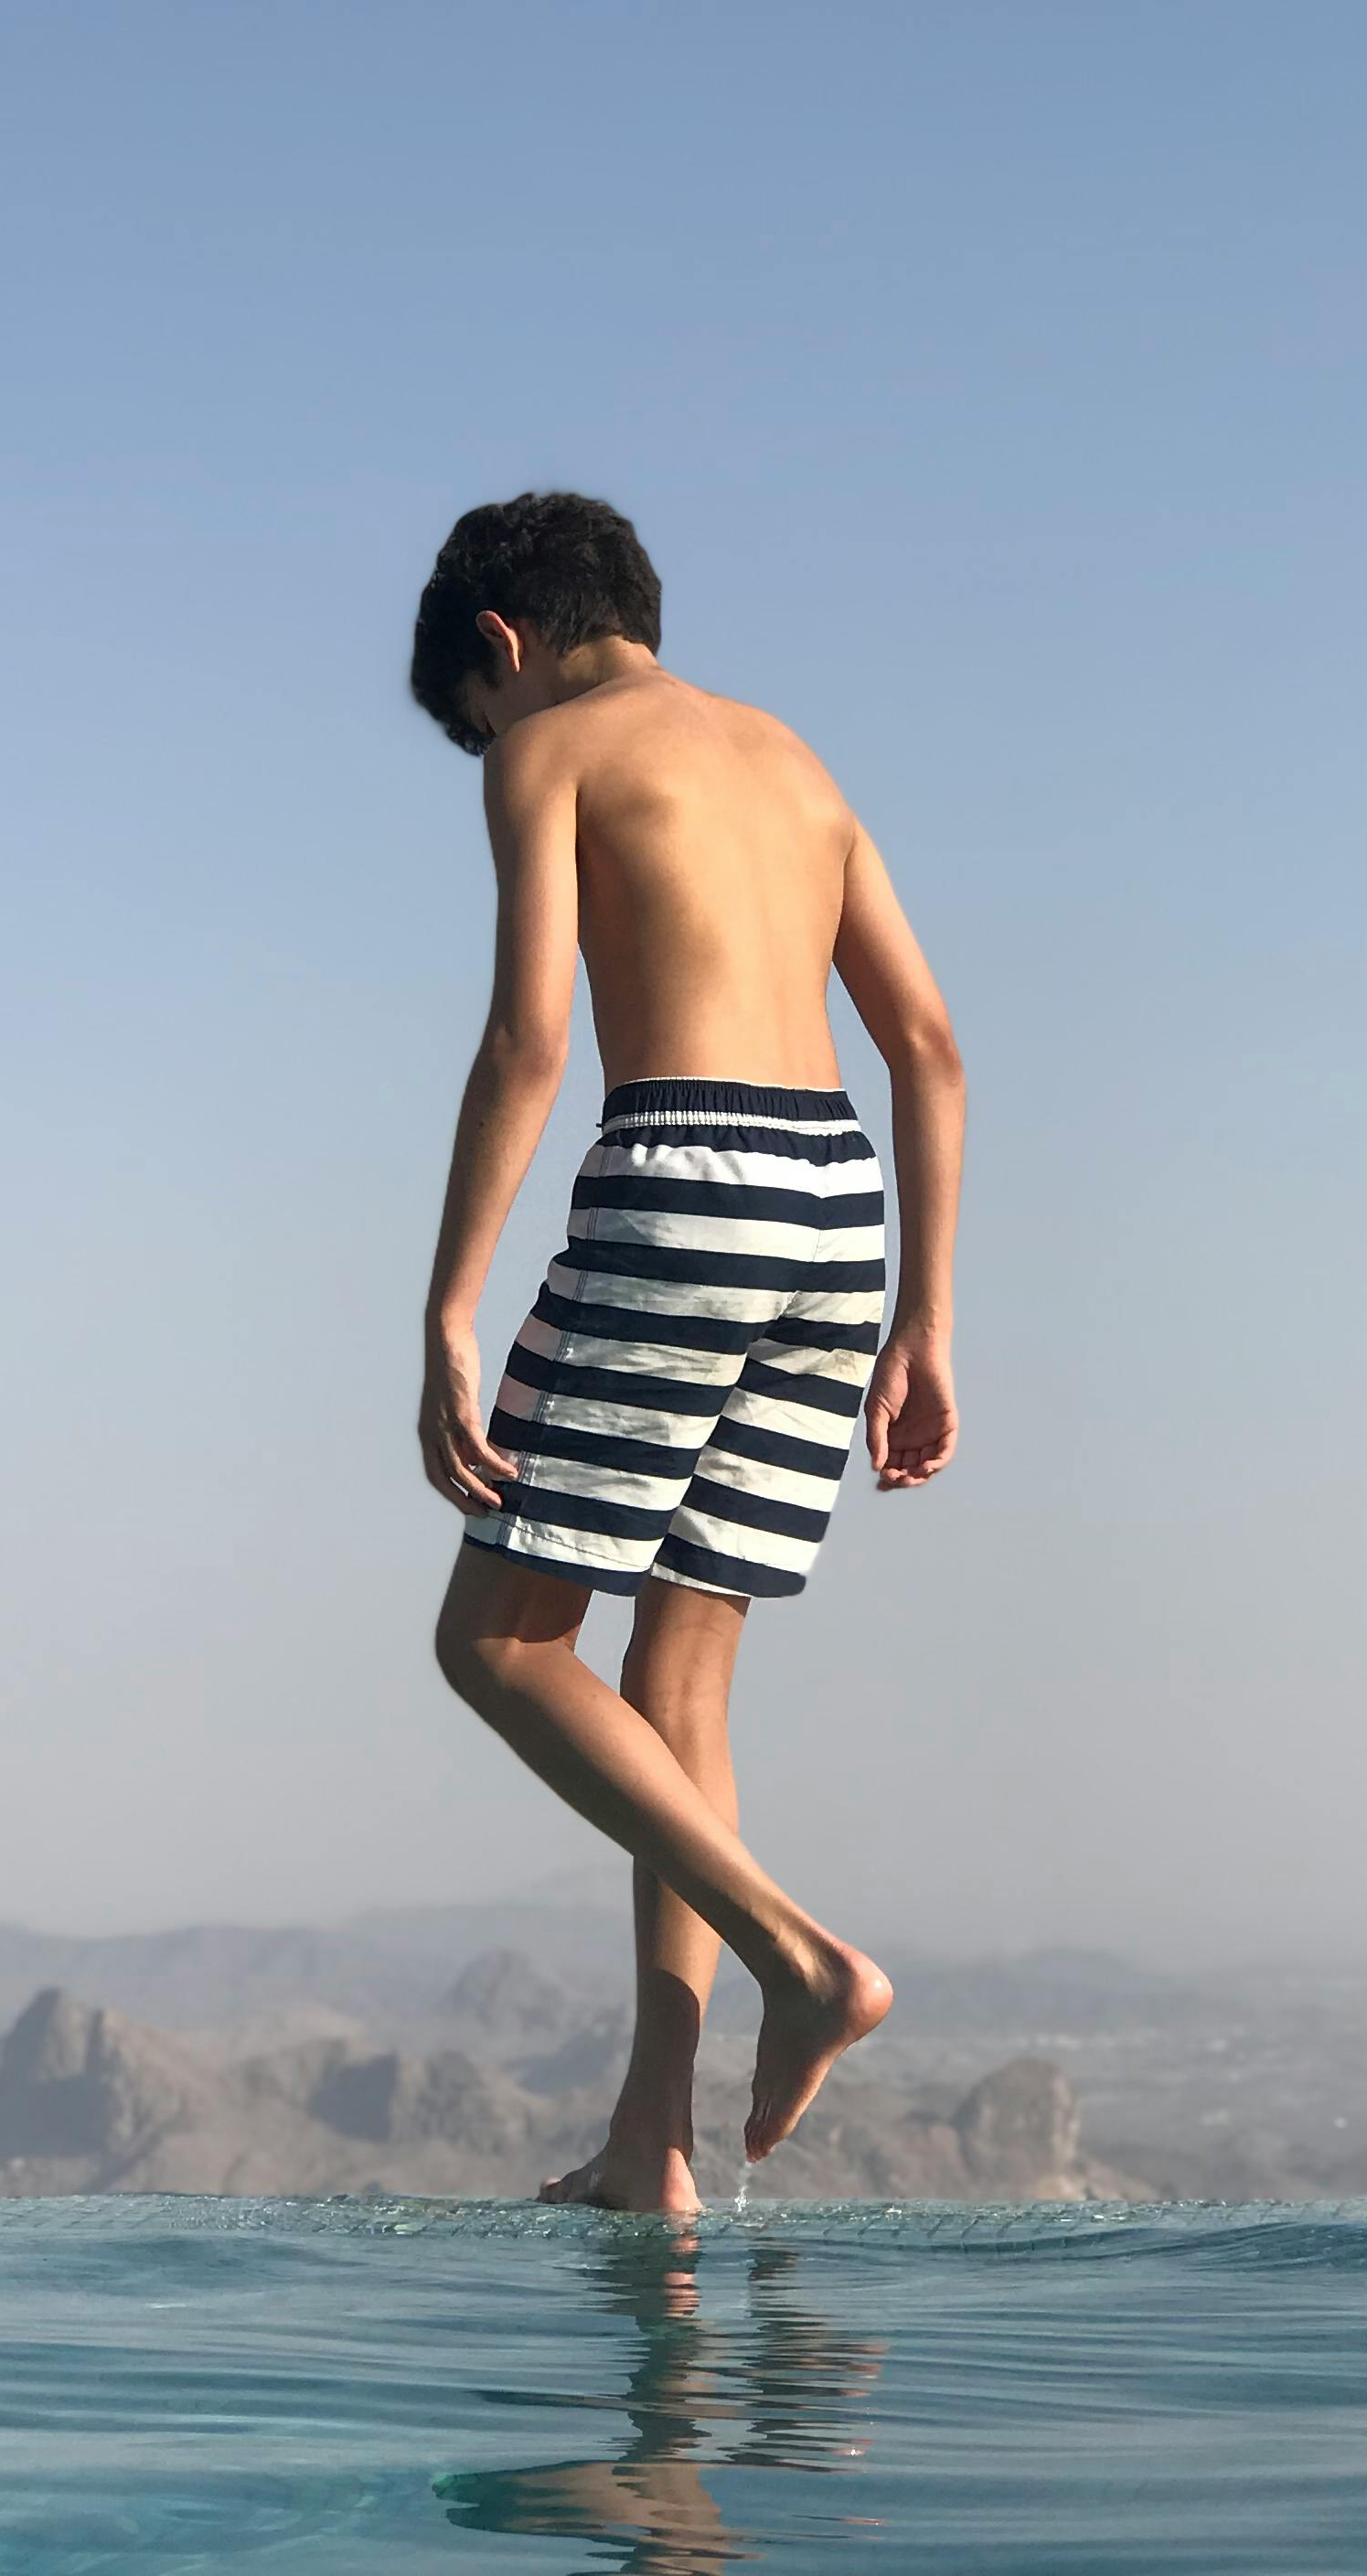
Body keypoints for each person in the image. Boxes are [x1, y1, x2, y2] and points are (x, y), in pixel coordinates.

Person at [406, 491, 964, 2217]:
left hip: (689, 1169)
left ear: (503, 652)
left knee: (495, 1642)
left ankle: (803, 1957)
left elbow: (530, 1041)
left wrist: (447, 1303)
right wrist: (925, 1320)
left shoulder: (556, 752)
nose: (491, 744)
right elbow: (929, 1049)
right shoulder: (796, 762)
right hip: (839, 1204)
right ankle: (655, 2140)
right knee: (682, 1687)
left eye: (476, 717)